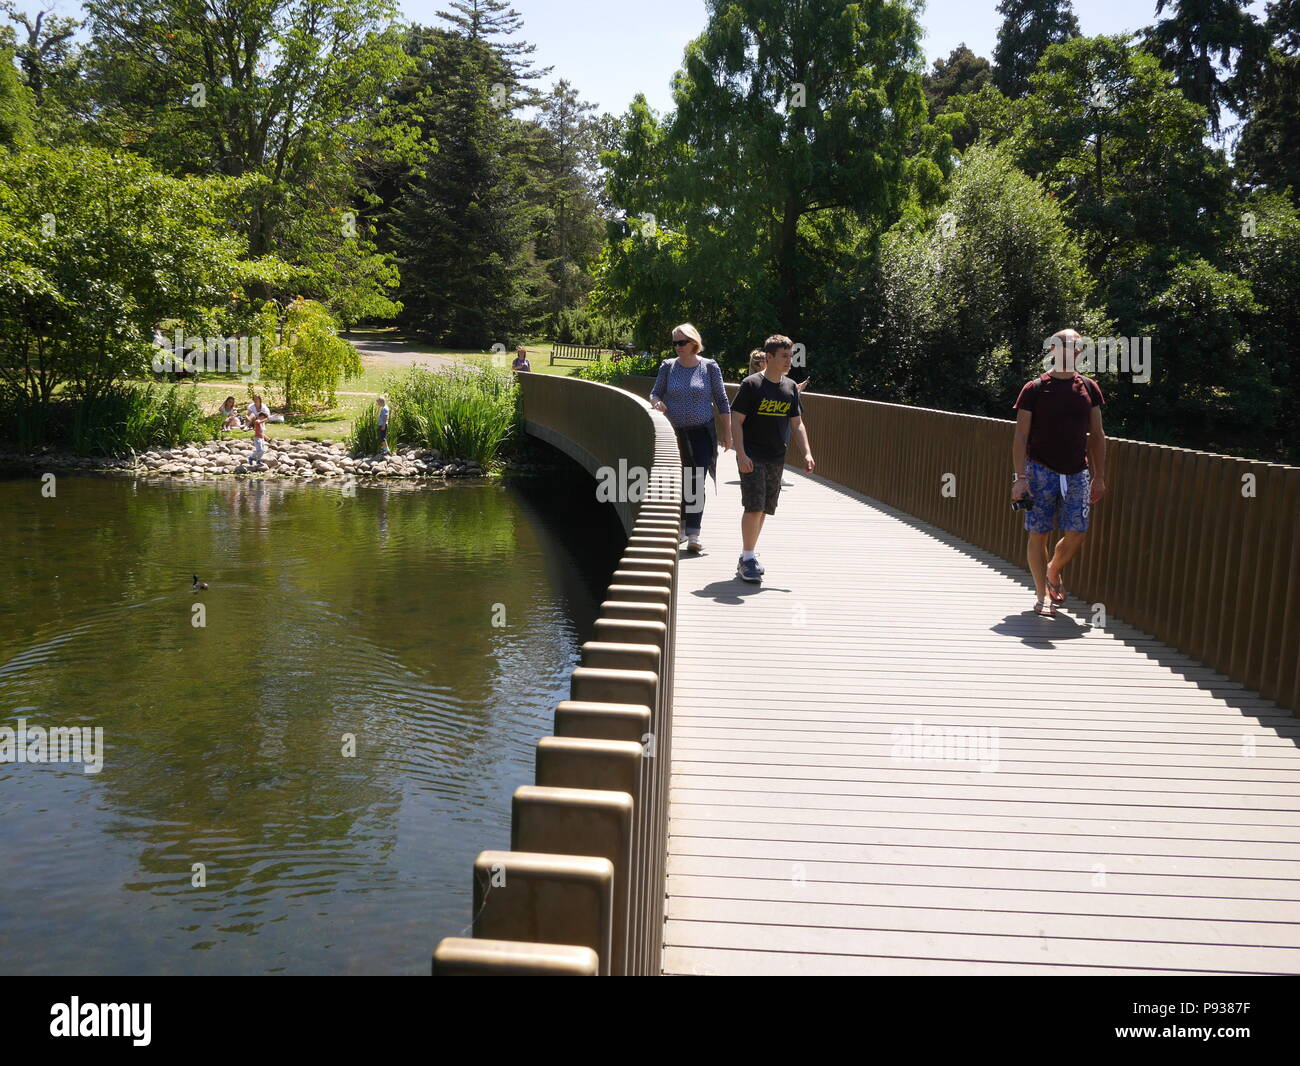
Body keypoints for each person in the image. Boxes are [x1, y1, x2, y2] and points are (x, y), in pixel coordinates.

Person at [1012, 328, 1107, 616]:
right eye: (1068, 345)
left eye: (1079, 346)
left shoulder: (1089, 388)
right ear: (1053, 349)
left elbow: (1098, 435)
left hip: (1078, 472)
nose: (1075, 351)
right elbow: (1020, 437)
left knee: (1078, 531)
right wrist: (1020, 479)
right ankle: (1041, 595)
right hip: (1039, 470)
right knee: (1038, 534)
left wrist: (1099, 477)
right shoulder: (1034, 389)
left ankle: (1053, 569)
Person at [731, 334, 815, 583]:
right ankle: (747, 557)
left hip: (777, 456)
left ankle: (749, 555)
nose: (789, 361)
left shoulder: (790, 388)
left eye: (791, 356)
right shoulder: (752, 384)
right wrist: (741, 453)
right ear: (768, 358)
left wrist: (807, 452)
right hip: (752, 455)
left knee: (765, 507)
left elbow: (797, 424)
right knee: (753, 505)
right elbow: (737, 420)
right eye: (784, 357)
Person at [648, 323, 733, 552]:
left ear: (694, 343)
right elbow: (655, 392)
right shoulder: (668, 366)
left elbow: (722, 400)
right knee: (678, 481)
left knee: (696, 480)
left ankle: (693, 533)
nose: (677, 347)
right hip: (674, 434)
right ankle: (682, 527)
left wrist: (727, 433)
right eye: (675, 342)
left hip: (702, 433)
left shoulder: (709, 367)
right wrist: (656, 402)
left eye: (682, 342)